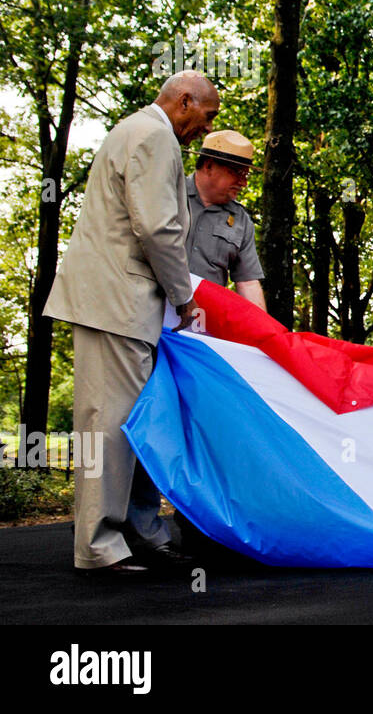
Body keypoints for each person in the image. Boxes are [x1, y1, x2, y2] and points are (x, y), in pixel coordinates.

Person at [43, 71, 218, 574]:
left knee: (137, 423)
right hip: (116, 302)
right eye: (206, 117)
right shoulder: (155, 135)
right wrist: (184, 297)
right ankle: (99, 546)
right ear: (184, 102)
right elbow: (157, 227)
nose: (204, 131)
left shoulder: (136, 130)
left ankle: (141, 533)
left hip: (124, 302)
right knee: (110, 427)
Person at [186, 130, 266, 311]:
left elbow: (248, 283)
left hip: (200, 320)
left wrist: (263, 335)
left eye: (246, 175)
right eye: (237, 173)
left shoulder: (241, 220)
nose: (243, 183)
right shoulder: (168, 195)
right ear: (209, 166)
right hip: (148, 312)